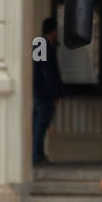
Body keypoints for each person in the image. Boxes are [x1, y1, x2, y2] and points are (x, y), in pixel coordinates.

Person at [33, 16, 66, 165]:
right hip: (44, 94)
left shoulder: (39, 45)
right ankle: (36, 155)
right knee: (40, 125)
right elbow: (47, 72)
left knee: (38, 125)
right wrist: (54, 93)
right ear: (52, 31)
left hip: (38, 92)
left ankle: (36, 153)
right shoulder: (44, 45)